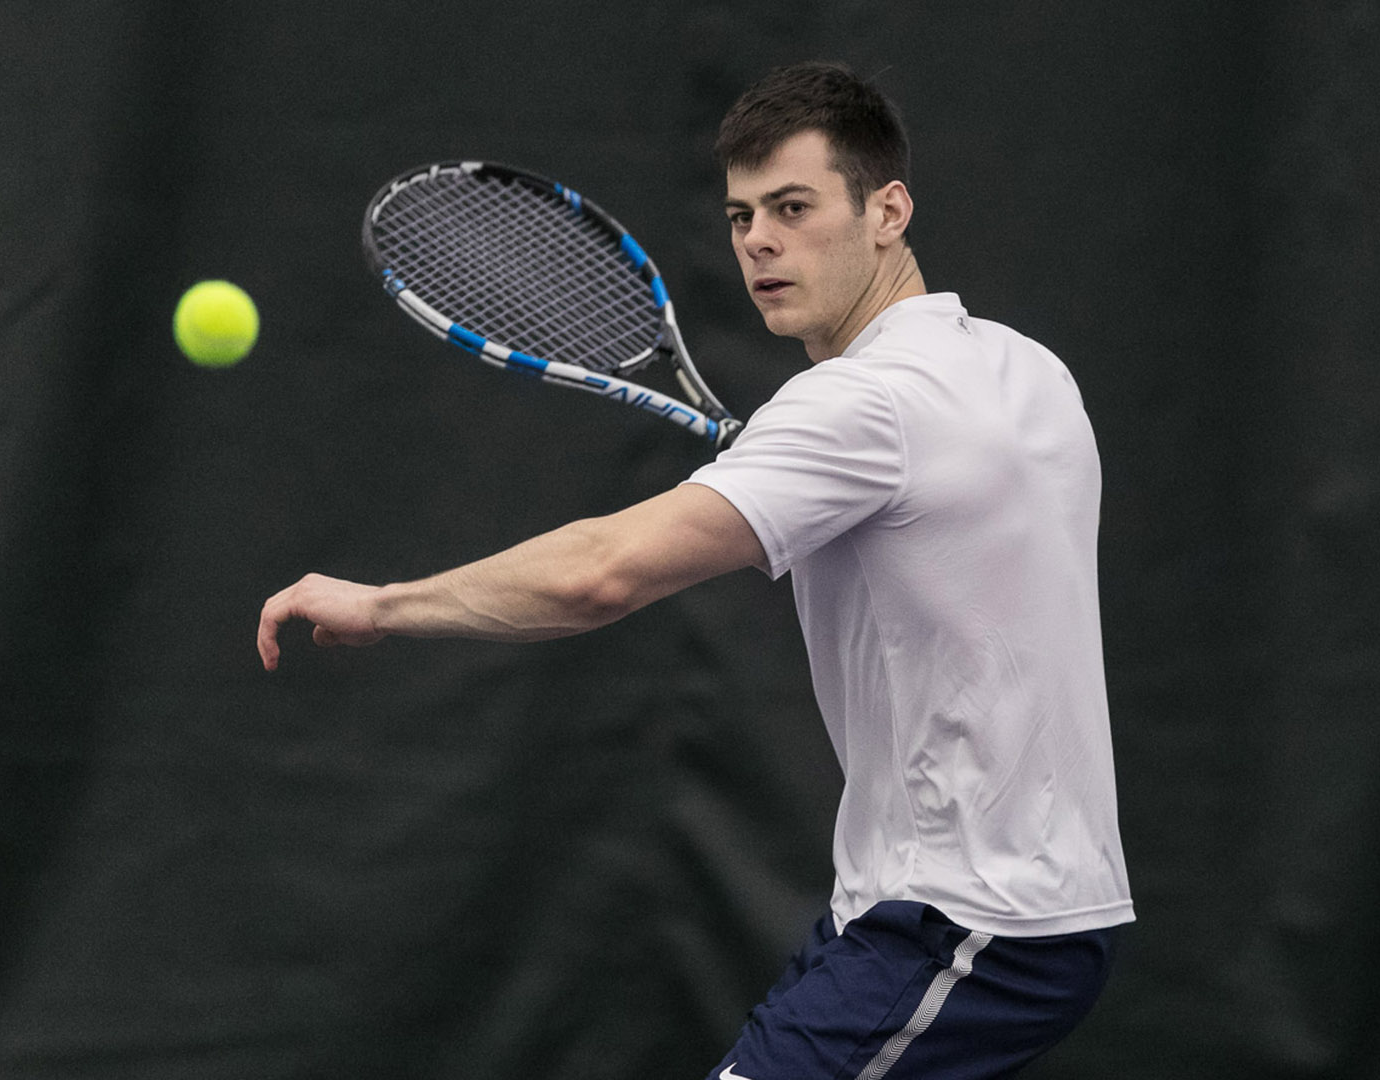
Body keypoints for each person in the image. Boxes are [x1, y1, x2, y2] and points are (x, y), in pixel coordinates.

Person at [258, 61, 1132, 1080]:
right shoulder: (1027, 367)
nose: (759, 238)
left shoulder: (859, 407)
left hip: (967, 927)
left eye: (794, 206)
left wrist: (382, 605)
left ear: (887, 209)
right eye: (741, 213)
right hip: (1024, 907)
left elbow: (600, 573)